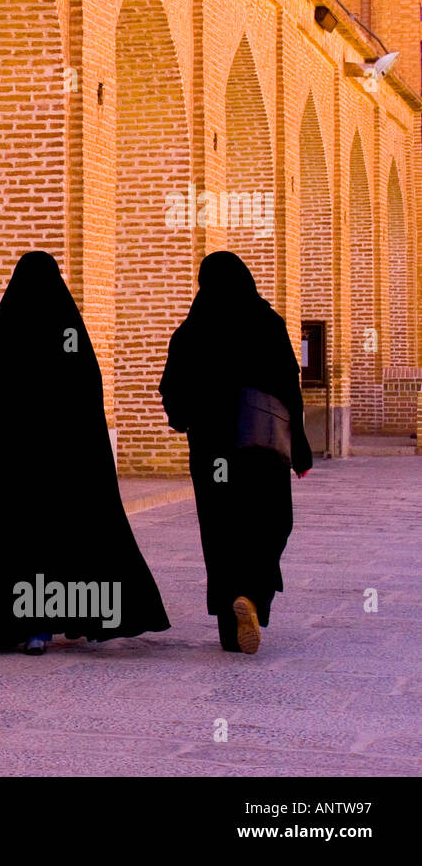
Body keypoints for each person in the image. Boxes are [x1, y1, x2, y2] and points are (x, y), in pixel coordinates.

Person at [0, 251, 171, 654]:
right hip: (64, 460)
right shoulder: (67, 326)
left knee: (22, 542)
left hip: (16, 462)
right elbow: (87, 392)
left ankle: (32, 627)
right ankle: (73, 615)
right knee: (67, 536)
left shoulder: (6, 323)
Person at [159, 251, 312, 655]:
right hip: (261, 449)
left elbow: (172, 389)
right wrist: (300, 448)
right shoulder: (267, 323)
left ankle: (231, 629)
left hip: (214, 454)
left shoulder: (192, 330)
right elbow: (289, 389)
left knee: (222, 530)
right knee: (271, 523)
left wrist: (185, 419)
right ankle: (255, 597)